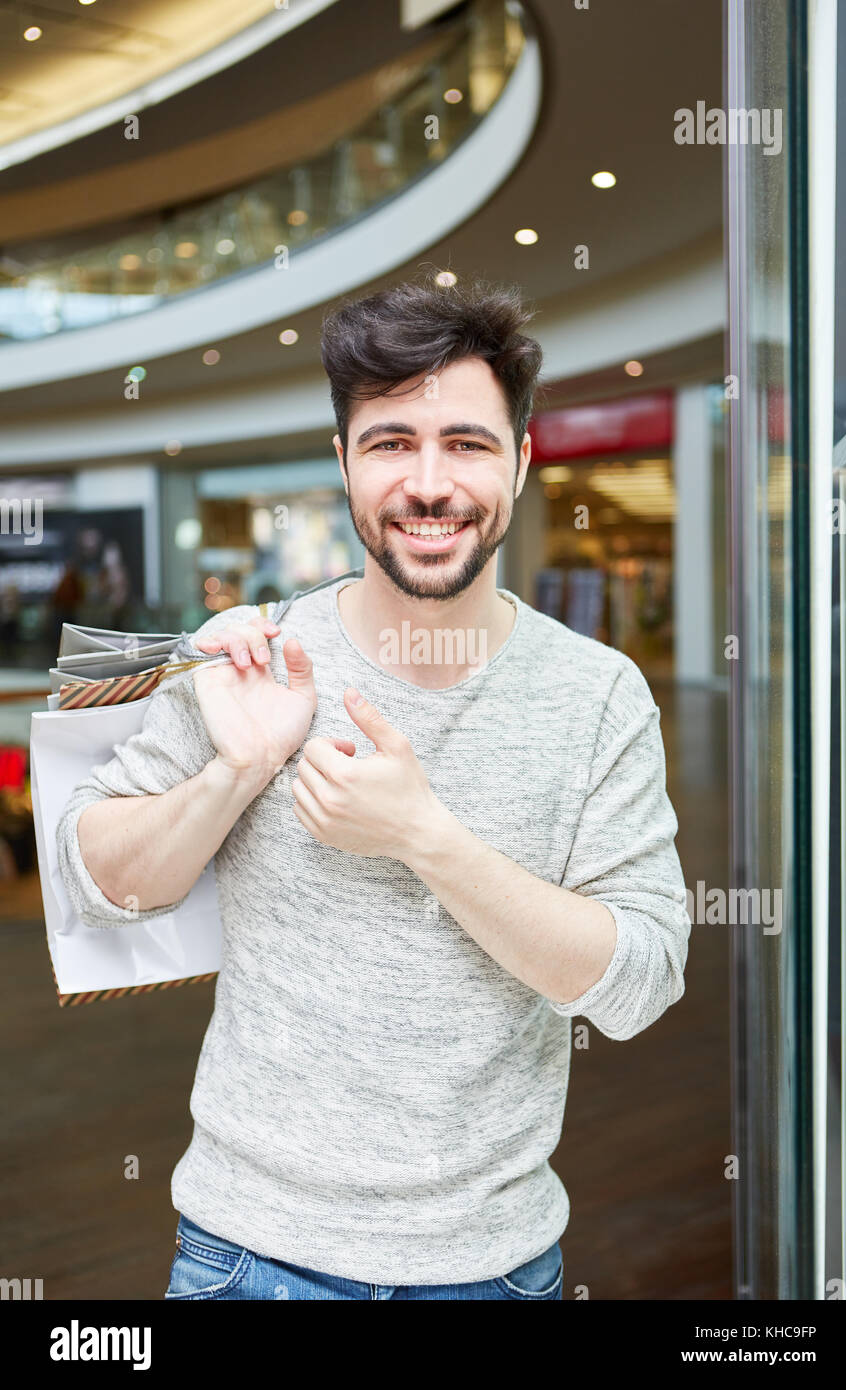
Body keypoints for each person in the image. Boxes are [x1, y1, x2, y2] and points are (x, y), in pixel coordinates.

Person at [56, 277, 691, 1301]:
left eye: (468, 443)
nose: (429, 483)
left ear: (522, 463)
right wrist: (236, 769)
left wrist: (423, 835)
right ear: (342, 461)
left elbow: (639, 980)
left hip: (493, 1264)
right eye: (391, 442)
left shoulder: (595, 695)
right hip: (247, 1255)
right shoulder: (254, 659)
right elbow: (99, 885)